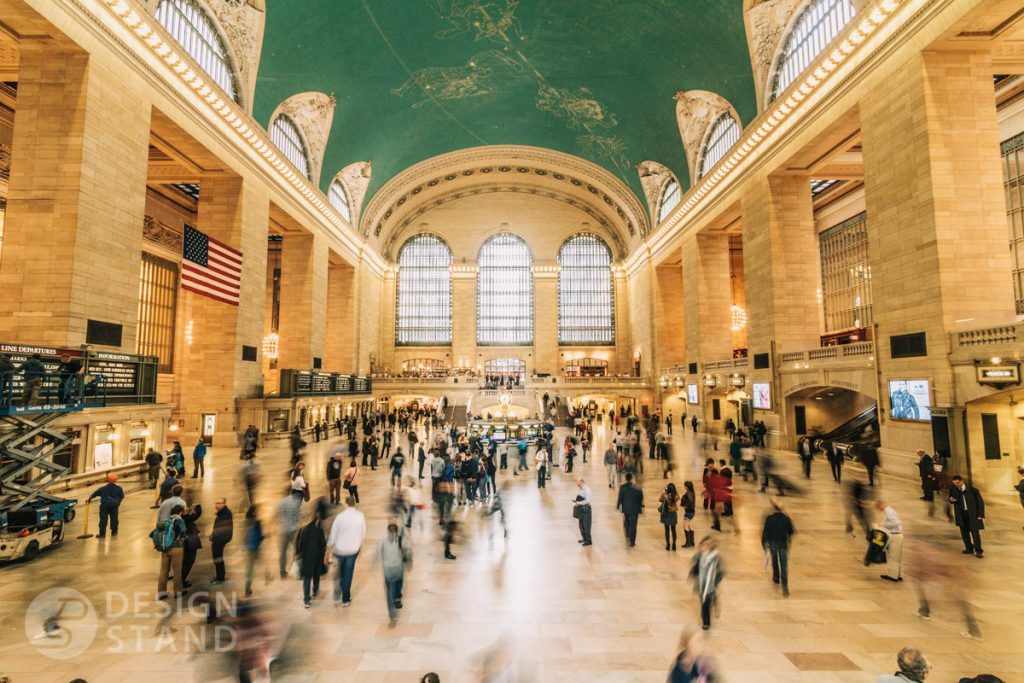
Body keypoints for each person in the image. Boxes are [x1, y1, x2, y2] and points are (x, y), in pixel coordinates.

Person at [325, 495, 366, 607]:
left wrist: (328, 550)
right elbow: (363, 533)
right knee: (348, 574)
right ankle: (345, 599)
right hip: (353, 550)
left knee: (339, 573)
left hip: (339, 549)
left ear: (347, 503)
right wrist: (360, 545)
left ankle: (337, 596)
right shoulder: (360, 516)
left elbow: (333, 535)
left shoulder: (340, 517)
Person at [374, 518, 413, 627]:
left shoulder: (383, 538)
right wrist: (409, 562)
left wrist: (373, 564)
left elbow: (377, 552)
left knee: (389, 593)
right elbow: (408, 550)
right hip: (399, 569)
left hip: (388, 570)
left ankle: (393, 616)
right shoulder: (402, 539)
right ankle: (398, 598)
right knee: (399, 583)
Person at [761, 501, 795, 596]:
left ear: (774, 509)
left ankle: (776, 577)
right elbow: (791, 531)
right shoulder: (786, 519)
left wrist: (763, 542)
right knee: (784, 564)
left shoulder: (769, 518)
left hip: (773, 543)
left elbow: (765, 531)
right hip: (783, 543)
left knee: (775, 560)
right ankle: (785, 586)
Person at [690, 536, 723, 630]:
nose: (702, 547)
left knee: (707, 603)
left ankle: (706, 623)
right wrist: (693, 572)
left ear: (709, 547)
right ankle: (707, 618)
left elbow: (720, 572)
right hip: (701, 584)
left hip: (711, 585)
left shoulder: (715, 558)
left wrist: (715, 582)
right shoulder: (699, 556)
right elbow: (695, 567)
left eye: (705, 546)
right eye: (702, 545)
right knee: (703, 602)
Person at [948, 475, 985, 557]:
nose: (956, 485)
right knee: (964, 533)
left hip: (972, 514)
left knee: (975, 533)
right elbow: (950, 498)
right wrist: (951, 500)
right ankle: (969, 548)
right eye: (954, 484)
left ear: (962, 481)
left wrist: (980, 514)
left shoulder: (973, 490)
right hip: (961, 514)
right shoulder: (953, 489)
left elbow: (980, 502)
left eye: (957, 483)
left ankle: (979, 551)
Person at [295, 512, 327, 608]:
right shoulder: (319, 531)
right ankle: (315, 591)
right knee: (316, 576)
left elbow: (298, 545)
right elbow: (323, 544)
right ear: (318, 521)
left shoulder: (303, 529)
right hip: (316, 558)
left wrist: (298, 555)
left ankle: (306, 600)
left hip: (306, 559)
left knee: (307, 578)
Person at [156, 504, 188, 599]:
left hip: (165, 548)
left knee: (164, 571)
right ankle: (178, 592)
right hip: (176, 548)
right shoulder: (179, 520)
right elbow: (183, 531)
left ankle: (161, 593)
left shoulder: (166, 520)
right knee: (177, 571)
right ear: (180, 512)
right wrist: (183, 538)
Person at [88, 474, 125, 538]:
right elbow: (121, 497)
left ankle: (102, 534)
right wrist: (118, 503)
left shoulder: (103, 488)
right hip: (114, 505)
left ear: (107, 480)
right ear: (115, 480)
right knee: (114, 519)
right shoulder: (118, 488)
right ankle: (114, 532)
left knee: (103, 519)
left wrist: (89, 500)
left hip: (104, 505)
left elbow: (94, 494)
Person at [276, 488, 301, 579]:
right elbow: (300, 515)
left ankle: (282, 572)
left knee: (283, 552)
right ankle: (297, 571)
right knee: (296, 550)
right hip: (293, 530)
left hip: (283, 530)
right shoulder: (295, 502)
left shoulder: (280, 503)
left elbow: (277, 516)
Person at [877, 499, 904, 581]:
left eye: (878, 507)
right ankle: (897, 575)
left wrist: (883, 525)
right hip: (897, 535)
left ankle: (892, 576)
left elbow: (896, 522)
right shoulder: (889, 511)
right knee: (896, 557)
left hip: (895, 536)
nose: (878, 509)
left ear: (881, 505)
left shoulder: (888, 511)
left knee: (892, 556)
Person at [616, 472, 644, 547]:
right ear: (632, 478)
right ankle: (632, 541)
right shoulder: (638, 488)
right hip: (635, 510)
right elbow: (641, 499)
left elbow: (620, 498)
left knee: (627, 523)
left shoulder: (622, 487)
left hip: (626, 509)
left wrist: (618, 507)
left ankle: (627, 535)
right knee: (633, 525)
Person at [243, 505, 266, 596]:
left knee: (251, 568)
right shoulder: (257, 522)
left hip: (248, 548)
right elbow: (260, 536)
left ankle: (247, 588)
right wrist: (264, 537)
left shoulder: (246, 522)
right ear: (254, 512)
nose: (258, 512)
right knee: (256, 565)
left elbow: (245, 535)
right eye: (257, 511)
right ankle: (267, 576)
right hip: (254, 547)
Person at [210, 497, 233, 584]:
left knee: (218, 558)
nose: (216, 505)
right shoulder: (223, 512)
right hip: (219, 538)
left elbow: (222, 528)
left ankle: (220, 578)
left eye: (219, 503)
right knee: (217, 558)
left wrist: (213, 536)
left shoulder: (225, 514)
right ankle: (219, 576)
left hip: (220, 539)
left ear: (224, 504)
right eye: (216, 503)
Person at [659, 482, 680, 551]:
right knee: (673, 530)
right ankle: (674, 545)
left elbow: (660, 500)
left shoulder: (666, 495)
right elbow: (676, 498)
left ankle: (668, 545)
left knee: (667, 530)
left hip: (667, 513)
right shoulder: (676, 495)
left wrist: (664, 493)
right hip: (673, 513)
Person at [573, 478, 592, 546]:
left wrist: (579, 502)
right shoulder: (581, 489)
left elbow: (587, 500)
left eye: (578, 483)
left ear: (582, 482)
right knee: (581, 525)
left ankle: (588, 541)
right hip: (581, 509)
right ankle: (584, 538)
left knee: (586, 525)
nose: (577, 484)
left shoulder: (587, 489)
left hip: (586, 509)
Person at [680, 481, 697, 548]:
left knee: (685, 527)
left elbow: (689, 502)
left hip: (688, 512)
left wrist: (685, 505)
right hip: (692, 512)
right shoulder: (693, 492)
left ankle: (688, 543)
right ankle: (692, 542)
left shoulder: (688, 494)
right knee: (690, 526)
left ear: (686, 487)